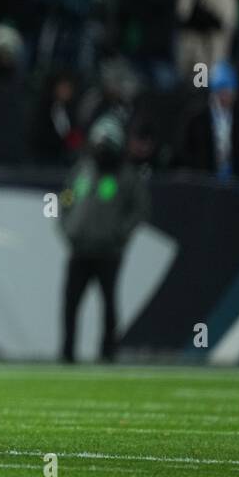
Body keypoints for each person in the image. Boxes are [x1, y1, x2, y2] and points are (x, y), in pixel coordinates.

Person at [59, 115, 149, 362]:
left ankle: (108, 352)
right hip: (80, 248)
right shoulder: (82, 169)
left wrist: (119, 234)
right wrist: (68, 227)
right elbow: (65, 198)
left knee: (108, 303)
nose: (100, 149)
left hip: (108, 251)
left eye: (105, 144)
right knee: (71, 302)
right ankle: (67, 352)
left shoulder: (126, 176)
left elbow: (139, 209)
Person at [176, 62, 239, 178]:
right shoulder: (196, 118)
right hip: (206, 178)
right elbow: (186, 151)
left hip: (237, 178)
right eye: (222, 92)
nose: (226, 96)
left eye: (230, 92)